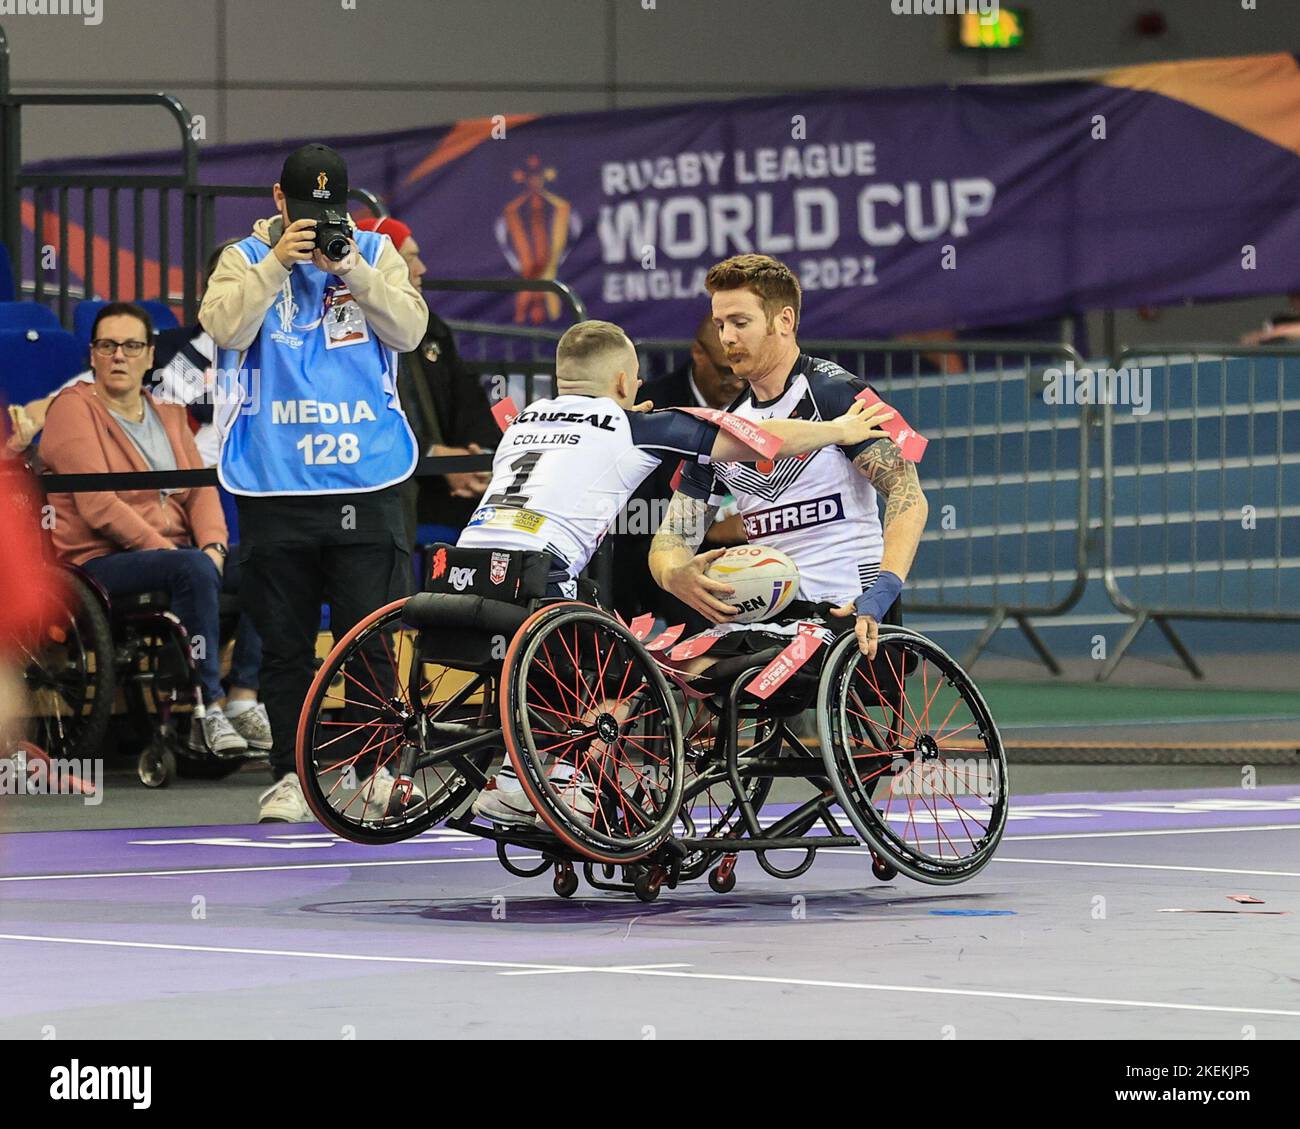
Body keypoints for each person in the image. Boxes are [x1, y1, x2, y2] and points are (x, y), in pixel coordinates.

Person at [455, 318, 893, 826]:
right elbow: (756, 441)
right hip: (537, 574)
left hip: (464, 569)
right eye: (635, 381)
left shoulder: (525, 418)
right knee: (626, 663)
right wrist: (839, 430)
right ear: (624, 383)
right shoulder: (635, 425)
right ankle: (557, 780)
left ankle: (512, 777)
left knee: (577, 653)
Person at [200, 143, 428, 822]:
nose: (319, 224)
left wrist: (351, 267)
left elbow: (410, 330)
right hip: (276, 481)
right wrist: (277, 263)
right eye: (305, 213)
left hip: (365, 476)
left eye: (330, 212)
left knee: (370, 637)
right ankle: (294, 776)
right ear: (277, 200)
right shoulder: (241, 259)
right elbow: (222, 326)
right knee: (285, 646)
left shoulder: (373, 249)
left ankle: (376, 767)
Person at [649, 254, 929, 686]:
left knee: (732, 676)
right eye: (720, 324)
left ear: (784, 320)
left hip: (845, 615)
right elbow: (671, 537)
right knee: (659, 671)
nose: (727, 338)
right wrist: (674, 574)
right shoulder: (725, 429)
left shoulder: (838, 396)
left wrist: (886, 588)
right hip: (765, 619)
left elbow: (908, 497)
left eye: (740, 322)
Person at [39, 302, 271, 754]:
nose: (118, 356)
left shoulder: (167, 413)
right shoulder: (72, 410)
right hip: (97, 563)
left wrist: (214, 547)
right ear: (93, 355)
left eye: (130, 346)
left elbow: (200, 490)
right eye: (107, 346)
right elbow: (98, 504)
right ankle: (208, 701)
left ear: (150, 356)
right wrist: (173, 552)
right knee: (192, 569)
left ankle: (244, 695)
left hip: (176, 555)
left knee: (270, 559)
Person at [354, 216, 495, 548]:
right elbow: (367, 429)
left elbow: (471, 400)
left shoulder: (431, 329)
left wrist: (481, 460)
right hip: (390, 486)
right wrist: (434, 456)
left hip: (447, 486)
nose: (422, 268)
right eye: (408, 259)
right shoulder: (350, 339)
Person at [612, 316, 746, 625]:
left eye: (740, 368)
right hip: (667, 546)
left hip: (750, 545)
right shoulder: (654, 408)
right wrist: (707, 528)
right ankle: (700, 664)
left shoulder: (759, 402)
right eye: (725, 370)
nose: (737, 381)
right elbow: (632, 512)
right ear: (698, 354)